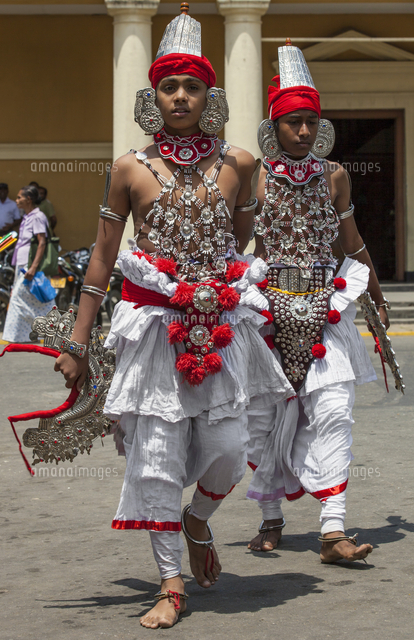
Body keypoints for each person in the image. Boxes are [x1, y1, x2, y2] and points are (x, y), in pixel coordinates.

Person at [54, 5, 292, 630]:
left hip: (221, 329)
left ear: (208, 95)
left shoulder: (242, 163)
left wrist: (275, 314)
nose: (181, 96)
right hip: (154, 329)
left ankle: (198, 521)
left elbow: (250, 248)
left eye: (192, 86)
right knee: (155, 457)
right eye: (169, 86)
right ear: (153, 95)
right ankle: (169, 582)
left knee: (228, 447)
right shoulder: (129, 167)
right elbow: (105, 255)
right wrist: (77, 341)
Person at [245, 41, 389, 564]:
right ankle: (270, 518)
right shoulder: (253, 176)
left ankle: (333, 531)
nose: (303, 131)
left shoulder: (335, 175)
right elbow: (237, 243)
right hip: (266, 313)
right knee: (266, 418)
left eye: (310, 121)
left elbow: (350, 241)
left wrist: (373, 291)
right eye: (293, 122)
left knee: (333, 412)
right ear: (274, 125)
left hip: (326, 308)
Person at [2, 185, 55, 342]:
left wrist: (33, 267)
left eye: (19, 197)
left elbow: (42, 242)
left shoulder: (38, 217)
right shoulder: (27, 217)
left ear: (29, 199)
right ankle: (24, 335)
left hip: (29, 265)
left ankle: (45, 330)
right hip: (22, 263)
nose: (17, 200)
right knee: (27, 300)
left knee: (20, 298)